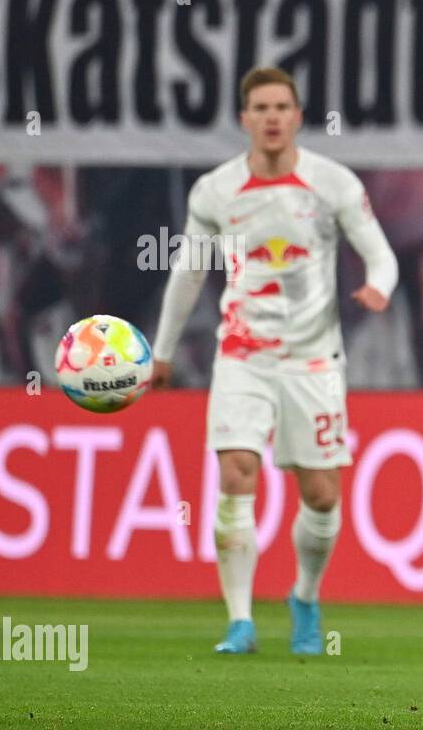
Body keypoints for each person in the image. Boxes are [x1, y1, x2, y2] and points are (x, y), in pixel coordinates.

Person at [152, 67, 397, 655]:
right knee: (236, 473)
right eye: (259, 107)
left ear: (297, 116)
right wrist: (162, 352)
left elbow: (381, 255)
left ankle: (305, 598)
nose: (270, 116)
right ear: (244, 118)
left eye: (281, 106)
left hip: (313, 361)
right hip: (242, 356)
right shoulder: (214, 190)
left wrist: (379, 287)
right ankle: (240, 621)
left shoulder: (332, 182)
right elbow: (189, 272)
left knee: (320, 495)